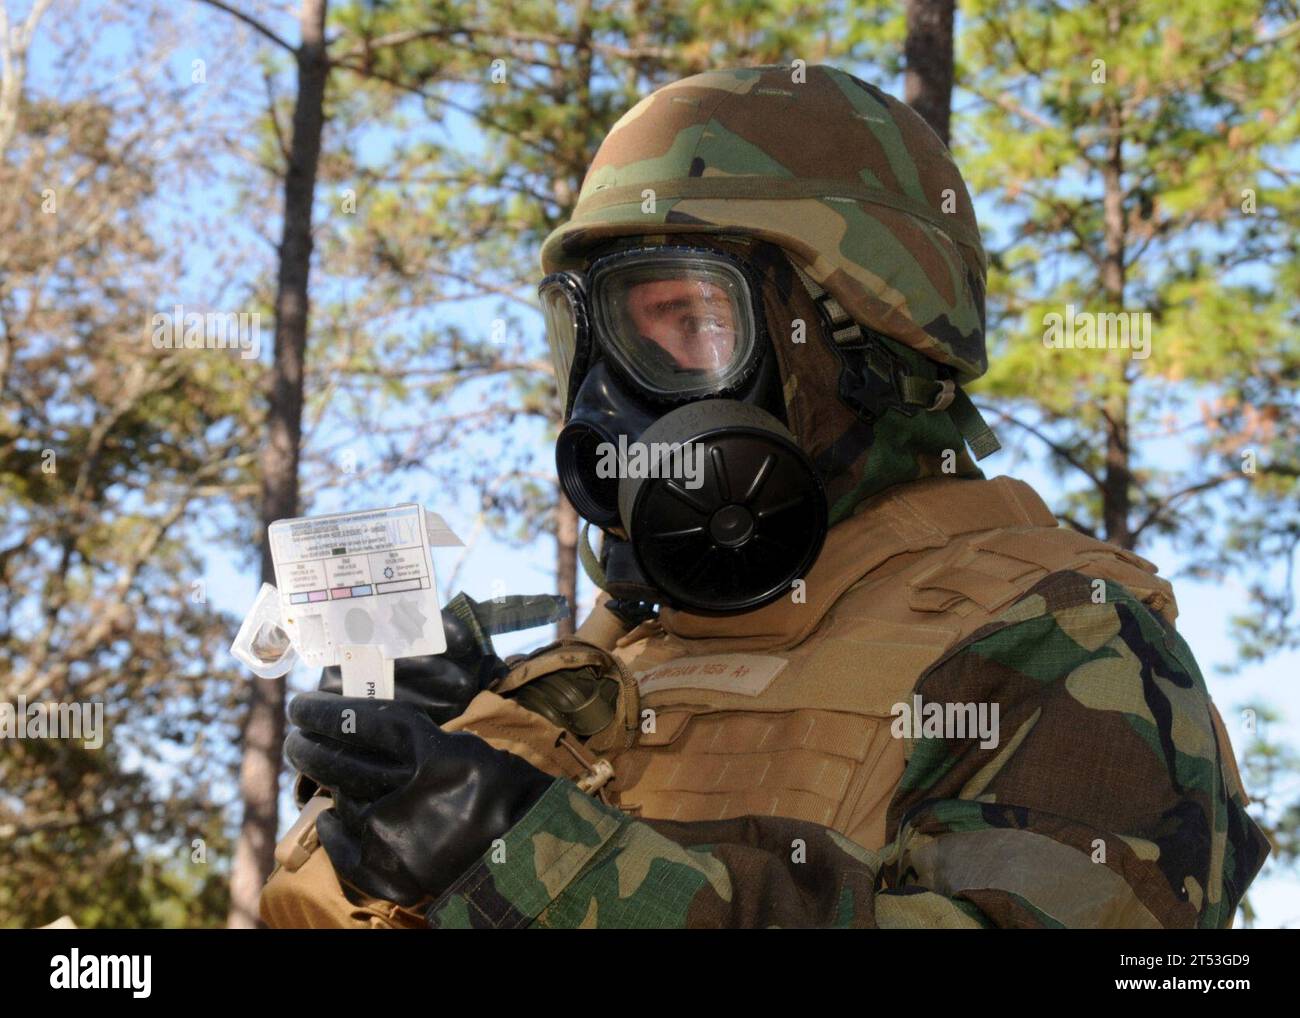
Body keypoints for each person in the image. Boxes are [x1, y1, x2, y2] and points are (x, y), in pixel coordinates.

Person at [264, 64, 1268, 929]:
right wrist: (422, 784)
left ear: (865, 337)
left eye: (685, 322)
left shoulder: (1061, 640)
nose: (607, 400)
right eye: (587, 340)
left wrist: (526, 858)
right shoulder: (606, 662)